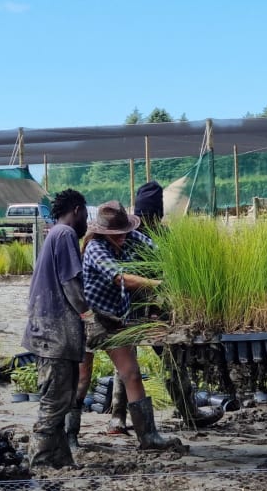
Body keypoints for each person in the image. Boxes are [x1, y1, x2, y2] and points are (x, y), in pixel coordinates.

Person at [77, 200, 183, 451]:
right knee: (81, 378)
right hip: (89, 317)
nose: (122, 238)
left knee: (132, 374)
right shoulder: (95, 247)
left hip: (115, 319)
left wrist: (177, 268)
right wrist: (158, 285)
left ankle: (148, 437)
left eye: (123, 232)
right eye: (116, 234)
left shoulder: (131, 236)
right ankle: (68, 434)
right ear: (103, 232)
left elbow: (158, 251)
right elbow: (119, 277)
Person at [22, 189, 89, 468]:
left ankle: (61, 459)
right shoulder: (65, 234)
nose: (87, 218)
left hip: (51, 333)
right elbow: (71, 283)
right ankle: (37, 462)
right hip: (55, 334)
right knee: (53, 404)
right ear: (76, 210)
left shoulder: (55, 234)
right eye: (85, 212)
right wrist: (88, 313)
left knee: (62, 400)